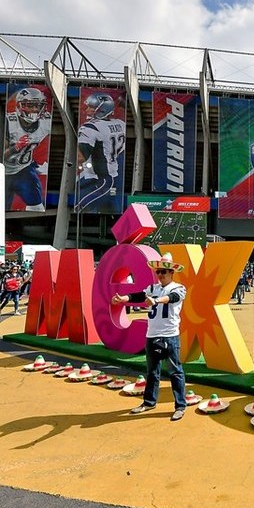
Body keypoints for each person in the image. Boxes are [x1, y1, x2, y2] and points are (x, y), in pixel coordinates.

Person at [112, 253, 188, 420]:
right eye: (158, 272)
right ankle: (148, 402)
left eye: (163, 272)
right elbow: (139, 295)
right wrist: (123, 298)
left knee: (175, 371)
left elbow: (173, 298)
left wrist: (156, 301)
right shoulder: (153, 288)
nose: (160, 275)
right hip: (152, 335)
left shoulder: (178, 288)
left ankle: (180, 405)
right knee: (152, 371)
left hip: (169, 336)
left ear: (171, 273)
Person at [76, 92, 126, 213]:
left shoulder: (91, 128)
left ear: (101, 110)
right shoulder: (120, 124)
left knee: (80, 208)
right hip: (113, 174)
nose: (87, 110)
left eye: (91, 108)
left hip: (102, 179)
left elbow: (80, 157)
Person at [4, 87, 51, 211]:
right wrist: (16, 147)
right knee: (0, 210)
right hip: (3, 172)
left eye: (37, 106)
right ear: (20, 106)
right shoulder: (9, 122)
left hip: (23, 170)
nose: (34, 110)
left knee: (38, 208)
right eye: (30, 106)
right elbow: (0, 155)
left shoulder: (46, 123)